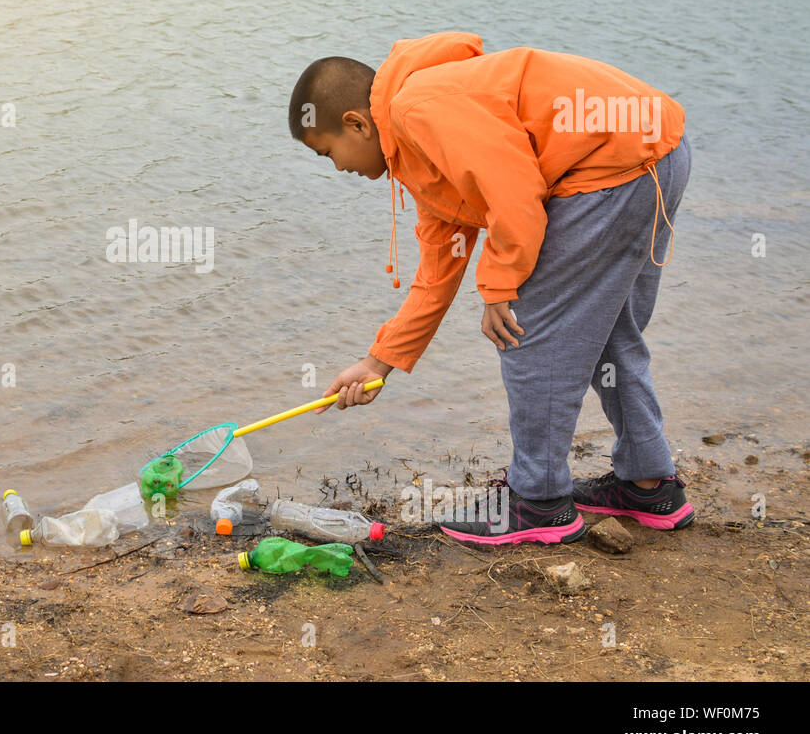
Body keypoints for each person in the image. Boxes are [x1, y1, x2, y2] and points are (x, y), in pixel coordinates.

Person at [290, 32, 694, 545]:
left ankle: (539, 502)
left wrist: (499, 287)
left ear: (356, 123)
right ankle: (649, 483)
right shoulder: (418, 145)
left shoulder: (419, 107)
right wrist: (377, 363)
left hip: (613, 169)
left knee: (525, 332)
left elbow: (515, 191)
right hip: (656, 148)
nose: (339, 168)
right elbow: (438, 270)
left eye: (328, 153)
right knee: (610, 337)